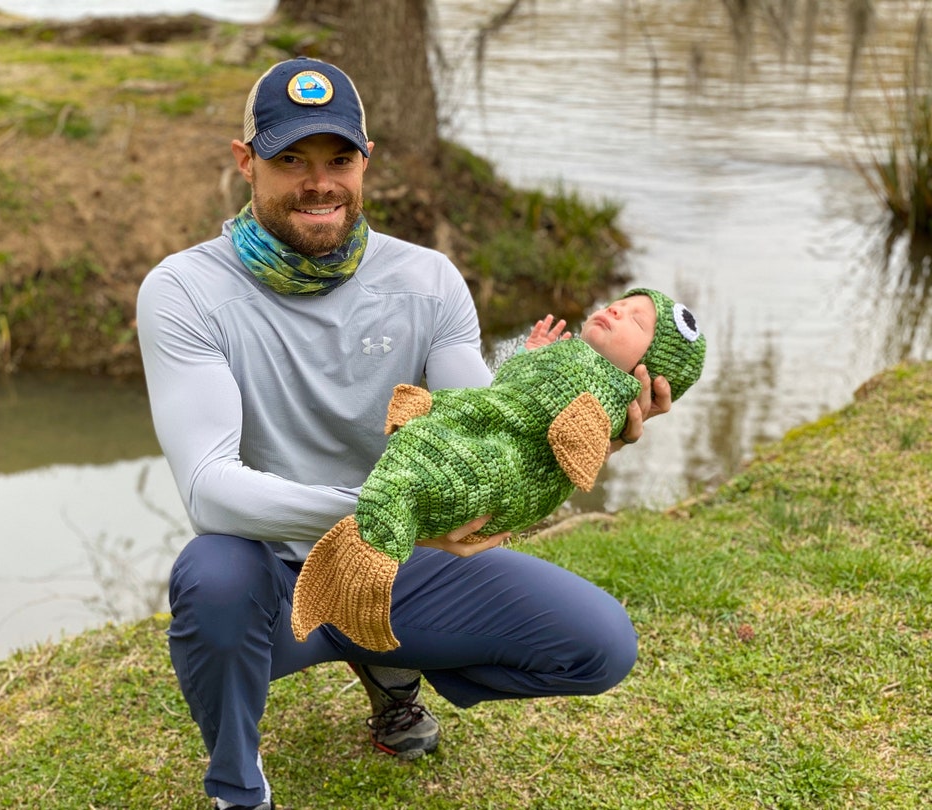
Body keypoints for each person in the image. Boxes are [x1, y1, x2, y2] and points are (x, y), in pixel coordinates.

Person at [136, 56, 675, 810]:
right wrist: (391, 515)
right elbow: (208, 489)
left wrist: (585, 428)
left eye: (338, 158)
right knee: (209, 579)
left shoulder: (428, 278)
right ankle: (237, 784)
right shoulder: (183, 291)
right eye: (290, 159)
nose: (318, 181)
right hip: (270, 568)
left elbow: (486, 432)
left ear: (366, 163)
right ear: (245, 163)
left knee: (600, 645)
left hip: (404, 563)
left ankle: (389, 657)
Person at [291, 287, 706, 654]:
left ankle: (369, 560)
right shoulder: (567, 353)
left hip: (504, 464)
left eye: (635, 320)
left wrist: (600, 438)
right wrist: (529, 359)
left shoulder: (609, 394)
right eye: (620, 303)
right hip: (479, 424)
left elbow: (567, 445)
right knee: (431, 433)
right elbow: (510, 395)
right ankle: (371, 557)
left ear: (649, 371)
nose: (615, 310)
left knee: (453, 468)